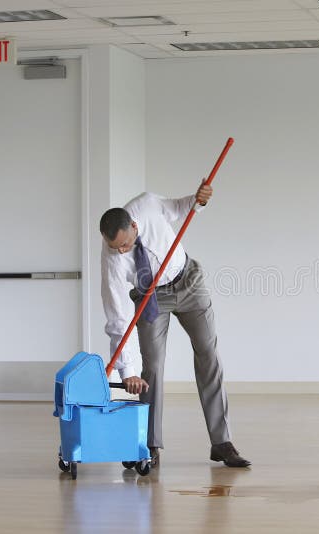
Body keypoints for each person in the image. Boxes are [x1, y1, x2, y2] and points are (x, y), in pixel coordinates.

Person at [99, 181, 250, 468]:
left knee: (208, 354)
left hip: (188, 281)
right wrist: (126, 371)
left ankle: (222, 442)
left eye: (125, 245)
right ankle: (149, 444)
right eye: (114, 247)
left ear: (134, 225)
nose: (121, 252)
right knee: (152, 366)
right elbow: (117, 315)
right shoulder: (112, 259)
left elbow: (179, 208)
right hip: (150, 296)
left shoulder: (147, 204)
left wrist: (199, 200)